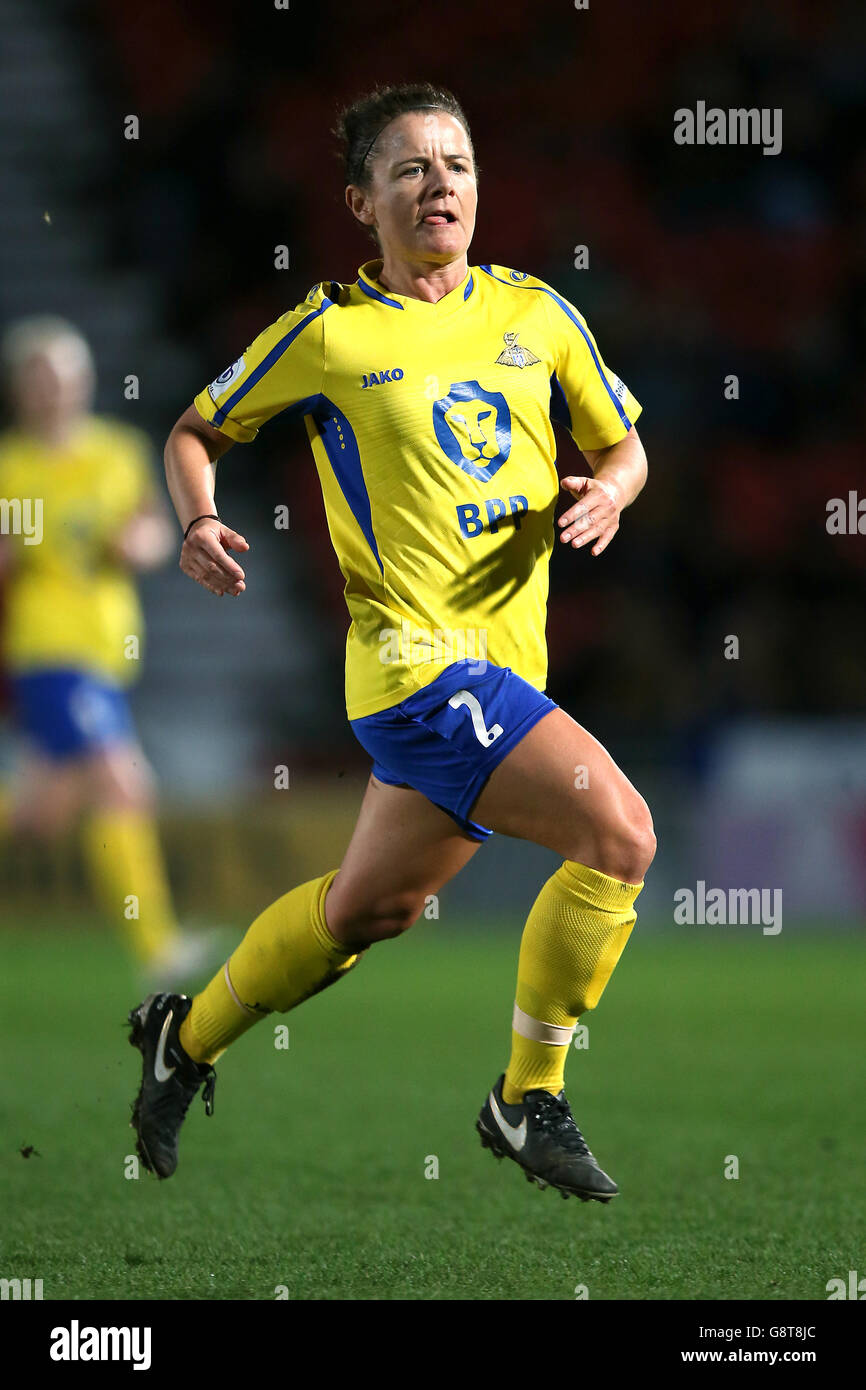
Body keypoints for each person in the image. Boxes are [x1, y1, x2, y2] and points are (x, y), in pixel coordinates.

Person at [128, 83, 655, 1203]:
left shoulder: (534, 314)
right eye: (408, 168)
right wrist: (198, 517)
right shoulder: (330, 334)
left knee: (365, 913)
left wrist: (607, 491)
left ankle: (183, 1039)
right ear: (360, 199)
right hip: (416, 670)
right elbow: (193, 428)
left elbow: (625, 446)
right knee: (619, 835)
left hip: (508, 668)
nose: (438, 184)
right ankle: (526, 1097)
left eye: (455, 163)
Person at [0, 317, 217, 986]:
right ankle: (159, 948)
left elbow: (152, 528)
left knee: (44, 807)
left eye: (63, 379)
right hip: (47, 649)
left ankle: (159, 946)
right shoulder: (9, 465)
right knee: (124, 782)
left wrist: (141, 545)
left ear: (84, 384)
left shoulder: (116, 453)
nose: (52, 392)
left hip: (105, 651)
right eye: (38, 380)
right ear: (19, 390)